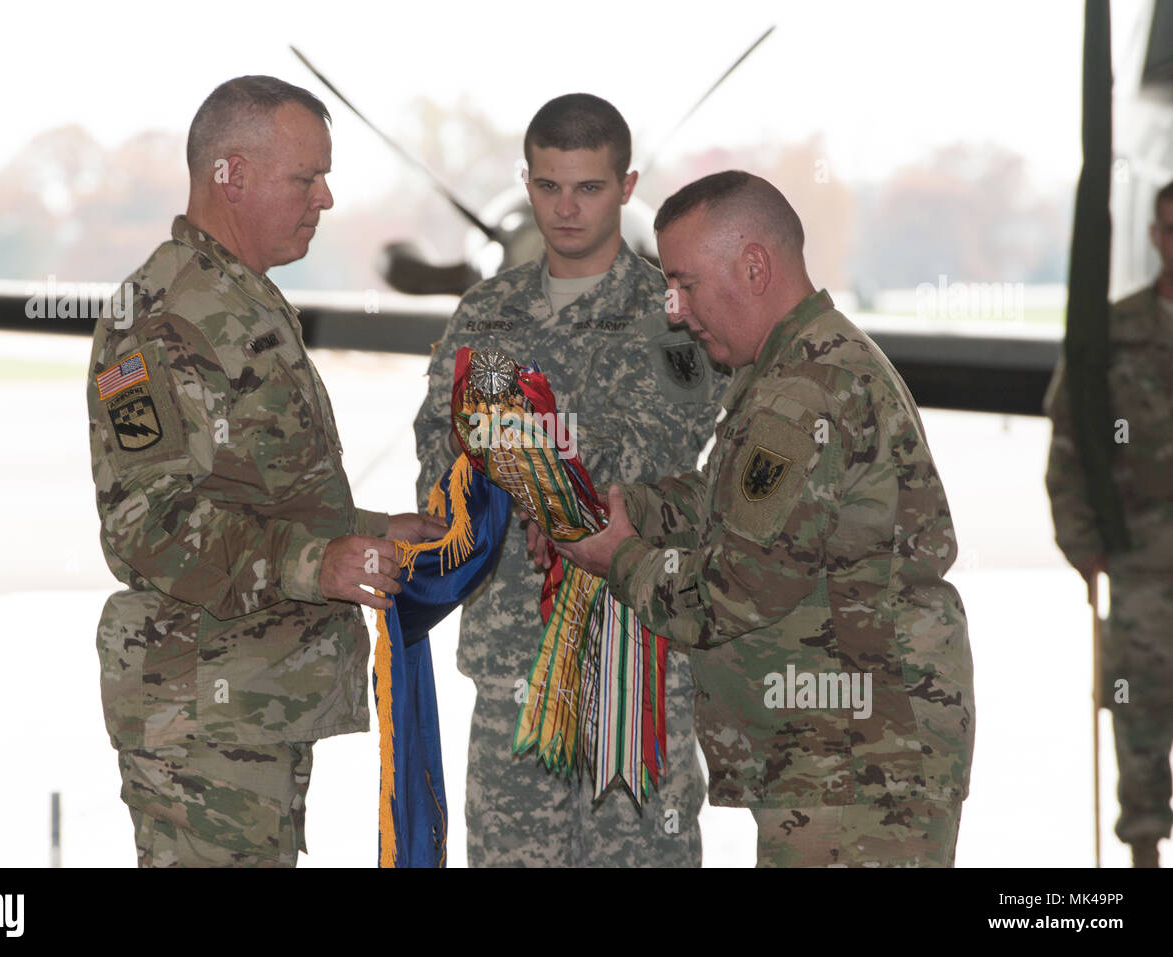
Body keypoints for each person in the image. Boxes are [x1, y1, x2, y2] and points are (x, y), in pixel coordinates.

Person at [549, 170, 975, 867]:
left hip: (860, 771)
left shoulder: (805, 391)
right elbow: (732, 501)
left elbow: (732, 589)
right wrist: (637, 508)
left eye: (684, 283)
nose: (676, 308)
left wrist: (619, 556)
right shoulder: (796, 368)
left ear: (753, 267)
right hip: (844, 758)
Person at [87, 75, 443, 867]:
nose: (326, 197)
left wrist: (370, 531)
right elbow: (146, 527)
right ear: (232, 176)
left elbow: (265, 493)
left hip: (255, 703)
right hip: (201, 721)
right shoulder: (160, 318)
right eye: (305, 177)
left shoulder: (244, 299)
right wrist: (320, 563)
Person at [413, 93, 723, 867]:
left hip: (640, 660)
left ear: (627, 185)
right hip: (515, 665)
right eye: (549, 186)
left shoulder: (679, 318)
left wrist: (549, 480)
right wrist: (481, 479)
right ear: (527, 182)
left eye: (588, 187)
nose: (567, 208)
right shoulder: (484, 318)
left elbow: (694, 476)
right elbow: (439, 455)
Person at [1045, 179, 1173, 868]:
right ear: (1155, 236)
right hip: (1142, 567)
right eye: (1172, 229)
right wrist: (1083, 543)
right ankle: (1146, 859)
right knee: (1140, 722)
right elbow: (1070, 443)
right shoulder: (1113, 334)